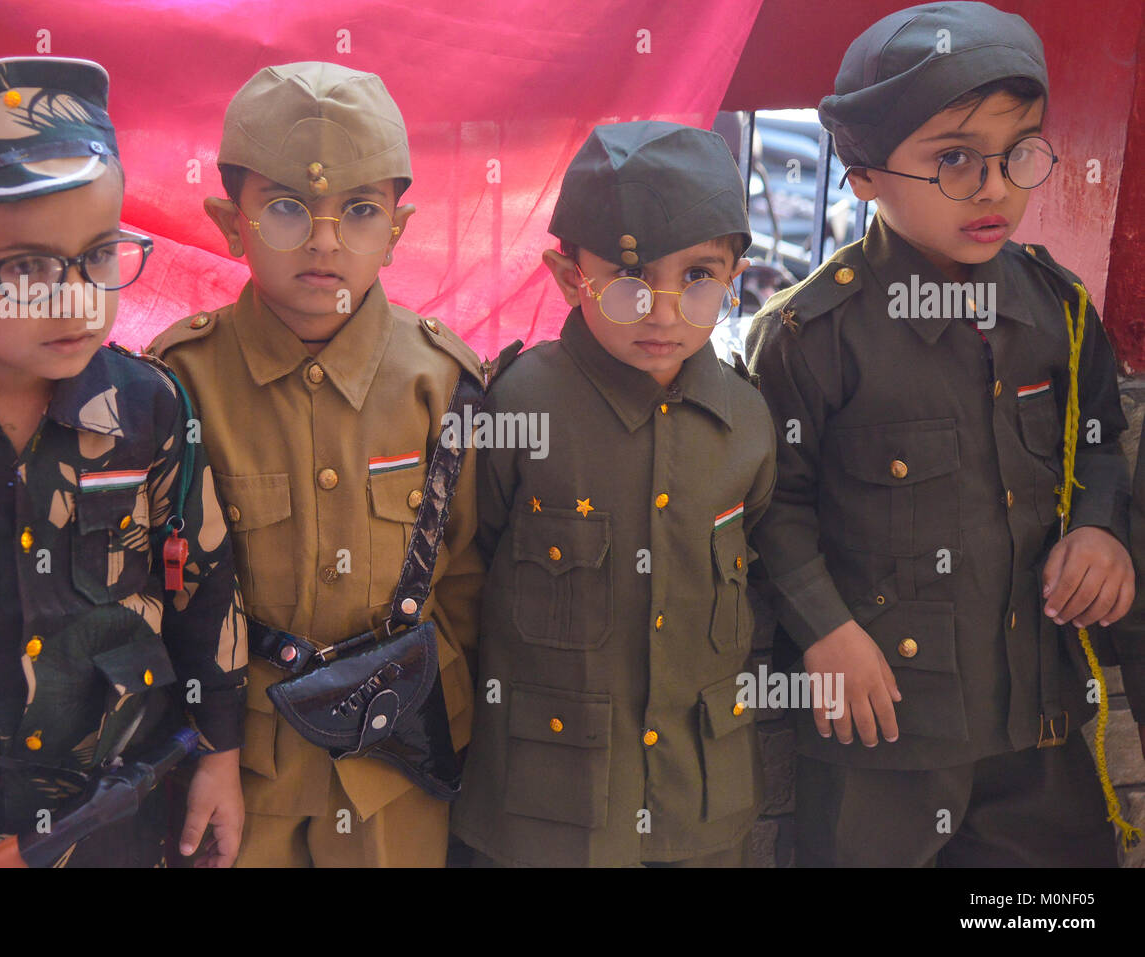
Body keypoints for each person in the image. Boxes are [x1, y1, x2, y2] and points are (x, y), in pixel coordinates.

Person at [745, 1, 1145, 866]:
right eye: (955, 159)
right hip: (885, 735)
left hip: (1034, 723)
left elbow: (1101, 442)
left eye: (1018, 152)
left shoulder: (1057, 310)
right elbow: (774, 502)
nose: (996, 186)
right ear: (864, 174)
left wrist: (1101, 529)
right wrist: (824, 628)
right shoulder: (811, 336)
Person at [0, 56, 248, 867]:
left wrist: (220, 755)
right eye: (25, 270)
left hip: (115, 818)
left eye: (100, 255)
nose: (75, 298)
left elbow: (204, 586)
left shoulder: (150, 408)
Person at [147, 61, 484, 867]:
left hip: (394, 772)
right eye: (287, 210)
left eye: (360, 211)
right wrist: (194, 743)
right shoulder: (179, 381)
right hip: (237, 771)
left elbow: (467, 578)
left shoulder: (441, 381)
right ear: (231, 223)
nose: (325, 241)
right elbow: (158, 592)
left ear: (398, 231)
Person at [451, 121, 776, 866]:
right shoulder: (518, 407)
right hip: (545, 807)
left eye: (699, 276)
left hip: (696, 802)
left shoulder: (748, 421)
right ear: (571, 277)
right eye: (631, 280)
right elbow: (470, 567)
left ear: (735, 276)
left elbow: (760, 545)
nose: (663, 312)